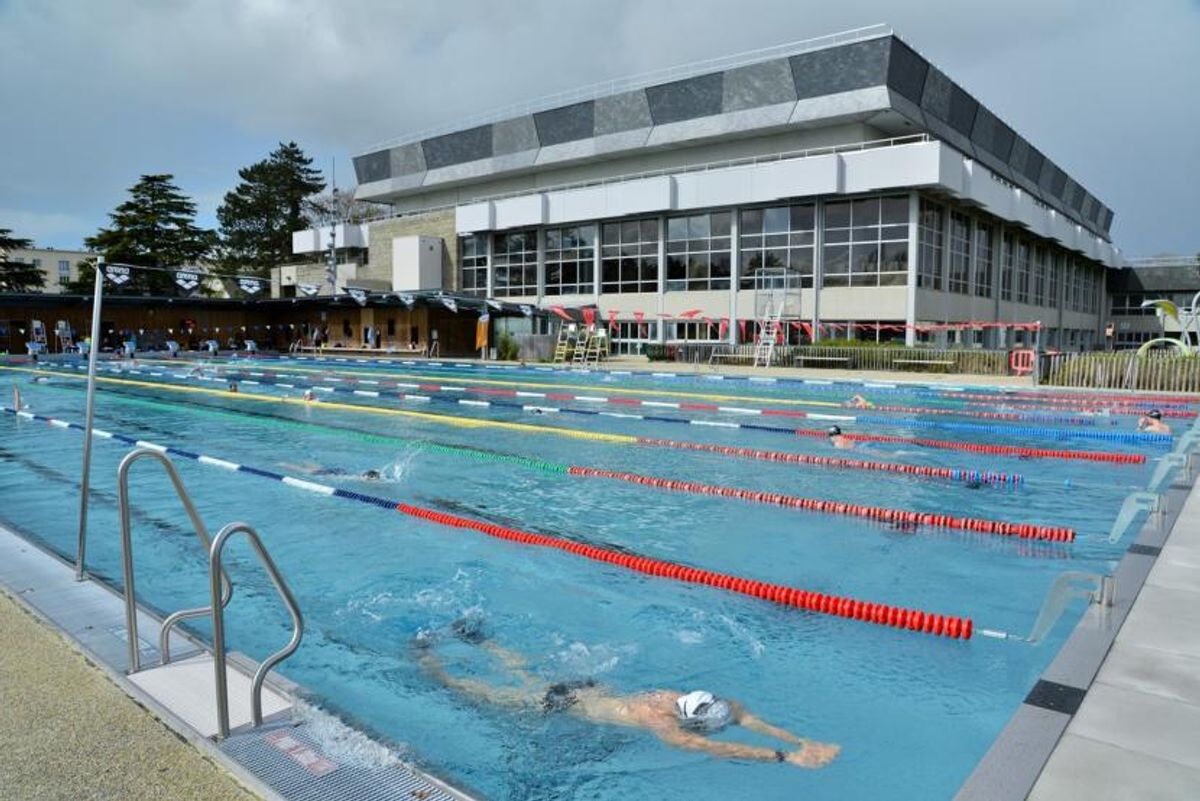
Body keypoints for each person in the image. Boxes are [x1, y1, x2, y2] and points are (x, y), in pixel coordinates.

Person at [414, 620, 839, 768]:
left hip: (588, 687)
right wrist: (785, 758)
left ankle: (480, 639)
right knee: (479, 692)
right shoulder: (661, 723)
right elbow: (718, 748)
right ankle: (429, 662)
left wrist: (800, 740)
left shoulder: (687, 698)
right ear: (693, 720)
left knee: (521, 668)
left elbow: (745, 718)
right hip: (566, 702)